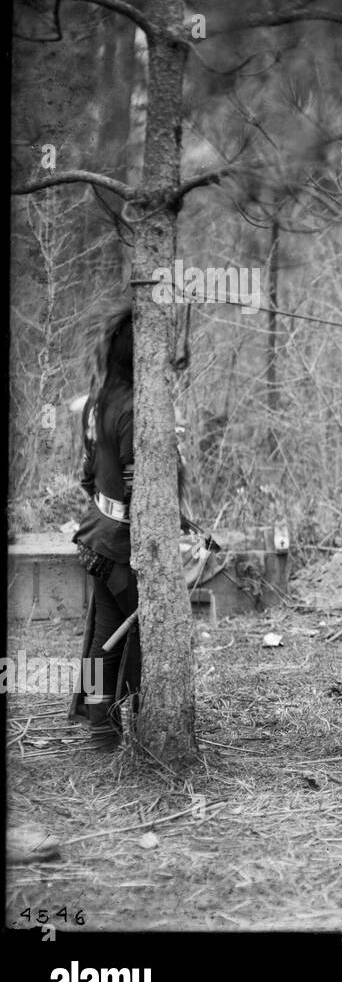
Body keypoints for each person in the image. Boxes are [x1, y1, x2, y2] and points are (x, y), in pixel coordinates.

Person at [69, 308, 141, 750]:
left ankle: (102, 729)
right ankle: (131, 723)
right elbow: (139, 491)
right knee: (143, 635)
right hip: (118, 542)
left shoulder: (98, 402)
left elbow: (87, 476)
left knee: (106, 637)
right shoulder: (131, 407)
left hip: (97, 532)